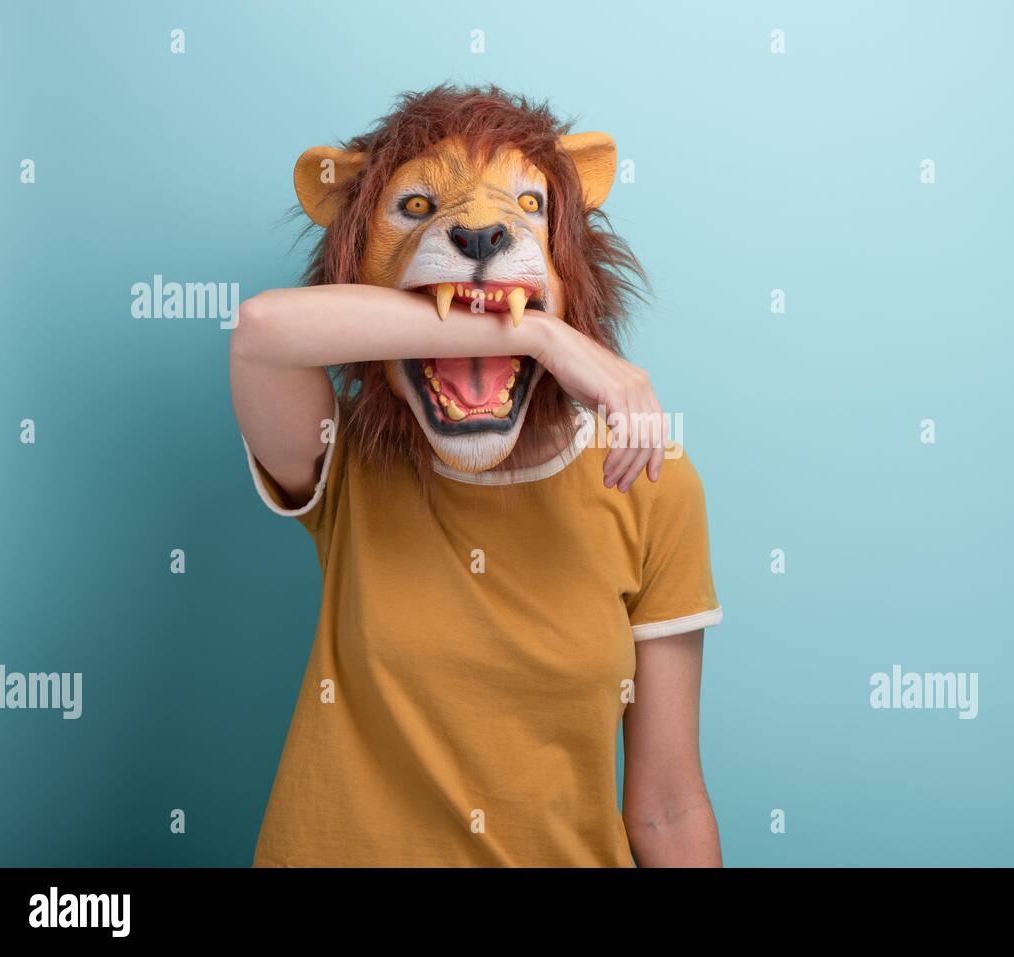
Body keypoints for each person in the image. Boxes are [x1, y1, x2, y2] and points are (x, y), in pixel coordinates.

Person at [230, 85, 723, 866]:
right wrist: (546, 339)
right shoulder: (347, 459)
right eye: (416, 207)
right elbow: (261, 332)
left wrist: (524, 322)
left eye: (527, 208)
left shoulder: (647, 476)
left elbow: (666, 806)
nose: (481, 231)